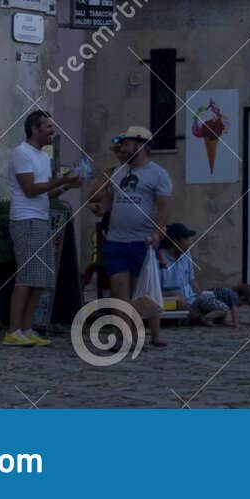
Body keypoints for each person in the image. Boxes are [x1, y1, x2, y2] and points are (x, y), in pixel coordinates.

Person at [89, 125, 173, 348]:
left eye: (127, 144)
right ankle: (126, 336)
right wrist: (102, 208)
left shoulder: (158, 174)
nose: (123, 148)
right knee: (118, 289)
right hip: (116, 240)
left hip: (141, 240)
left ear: (140, 145)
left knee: (141, 291)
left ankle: (145, 335)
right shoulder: (118, 171)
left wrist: (156, 232)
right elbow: (110, 200)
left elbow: (164, 206)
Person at [5, 109, 80, 348]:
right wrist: (63, 179)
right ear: (34, 129)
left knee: (42, 278)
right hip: (25, 219)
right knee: (27, 276)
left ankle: (27, 329)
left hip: (40, 218)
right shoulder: (21, 153)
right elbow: (29, 189)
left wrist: (67, 186)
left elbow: (46, 193)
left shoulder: (43, 158)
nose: (52, 131)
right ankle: (13, 330)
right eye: (48, 127)